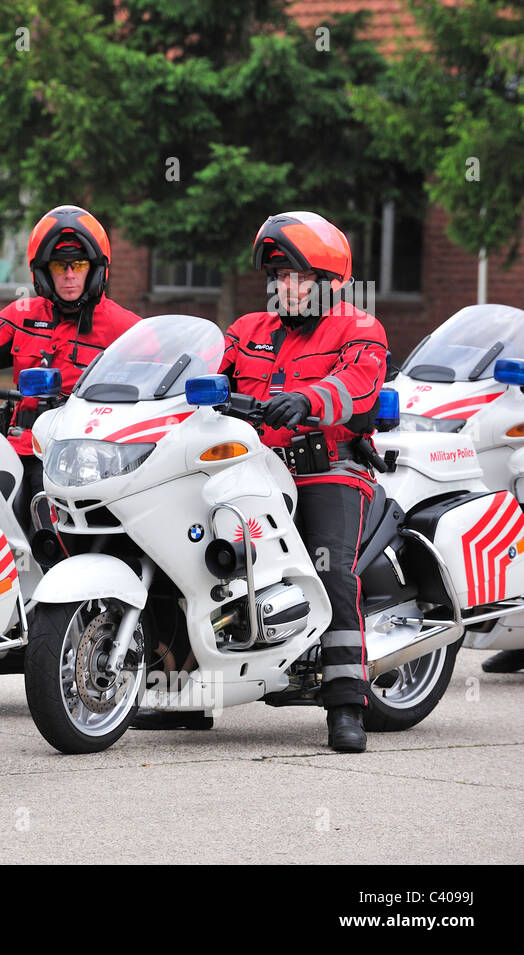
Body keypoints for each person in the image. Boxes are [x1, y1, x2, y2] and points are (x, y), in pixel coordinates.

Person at [218, 211, 387, 752]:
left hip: (327, 468)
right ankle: (182, 685)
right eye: (277, 278)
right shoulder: (246, 331)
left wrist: (309, 400)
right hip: (253, 470)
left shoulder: (359, 327)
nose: (284, 288)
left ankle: (345, 705)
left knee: (330, 566)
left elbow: (358, 386)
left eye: (296, 277)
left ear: (328, 282)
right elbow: (198, 377)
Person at [0, 205, 140, 534]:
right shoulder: (23, 314)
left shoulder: (126, 328)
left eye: (78, 264)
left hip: (86, 462)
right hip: (20, 450)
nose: (69, 275)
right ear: (44, 271)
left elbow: (173, 374)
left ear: (95, 268)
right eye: (60, 266)